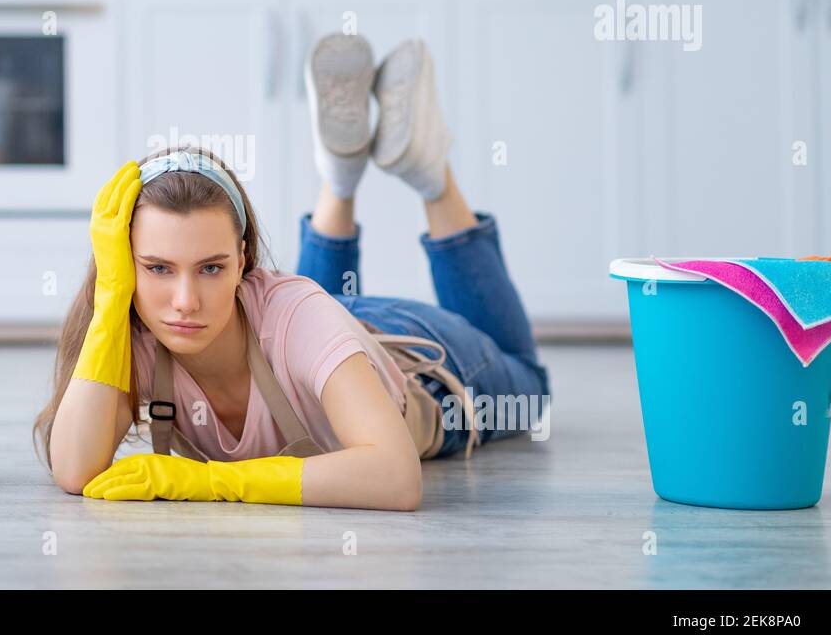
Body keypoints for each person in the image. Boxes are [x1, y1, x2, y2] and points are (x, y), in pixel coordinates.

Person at [34, 34, 551, 511]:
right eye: (157, 268)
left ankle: (431, 175)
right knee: (302, 319)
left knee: (528, 389)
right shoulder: (139, 331)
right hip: (320, 329)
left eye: (211, 267)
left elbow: (397, 479)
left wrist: (215, 481)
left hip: (419, 357)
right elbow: (76, 471)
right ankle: (340, 176)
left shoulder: (294, 315)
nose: (185, 300)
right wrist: (110, 296)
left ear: (243, 260)